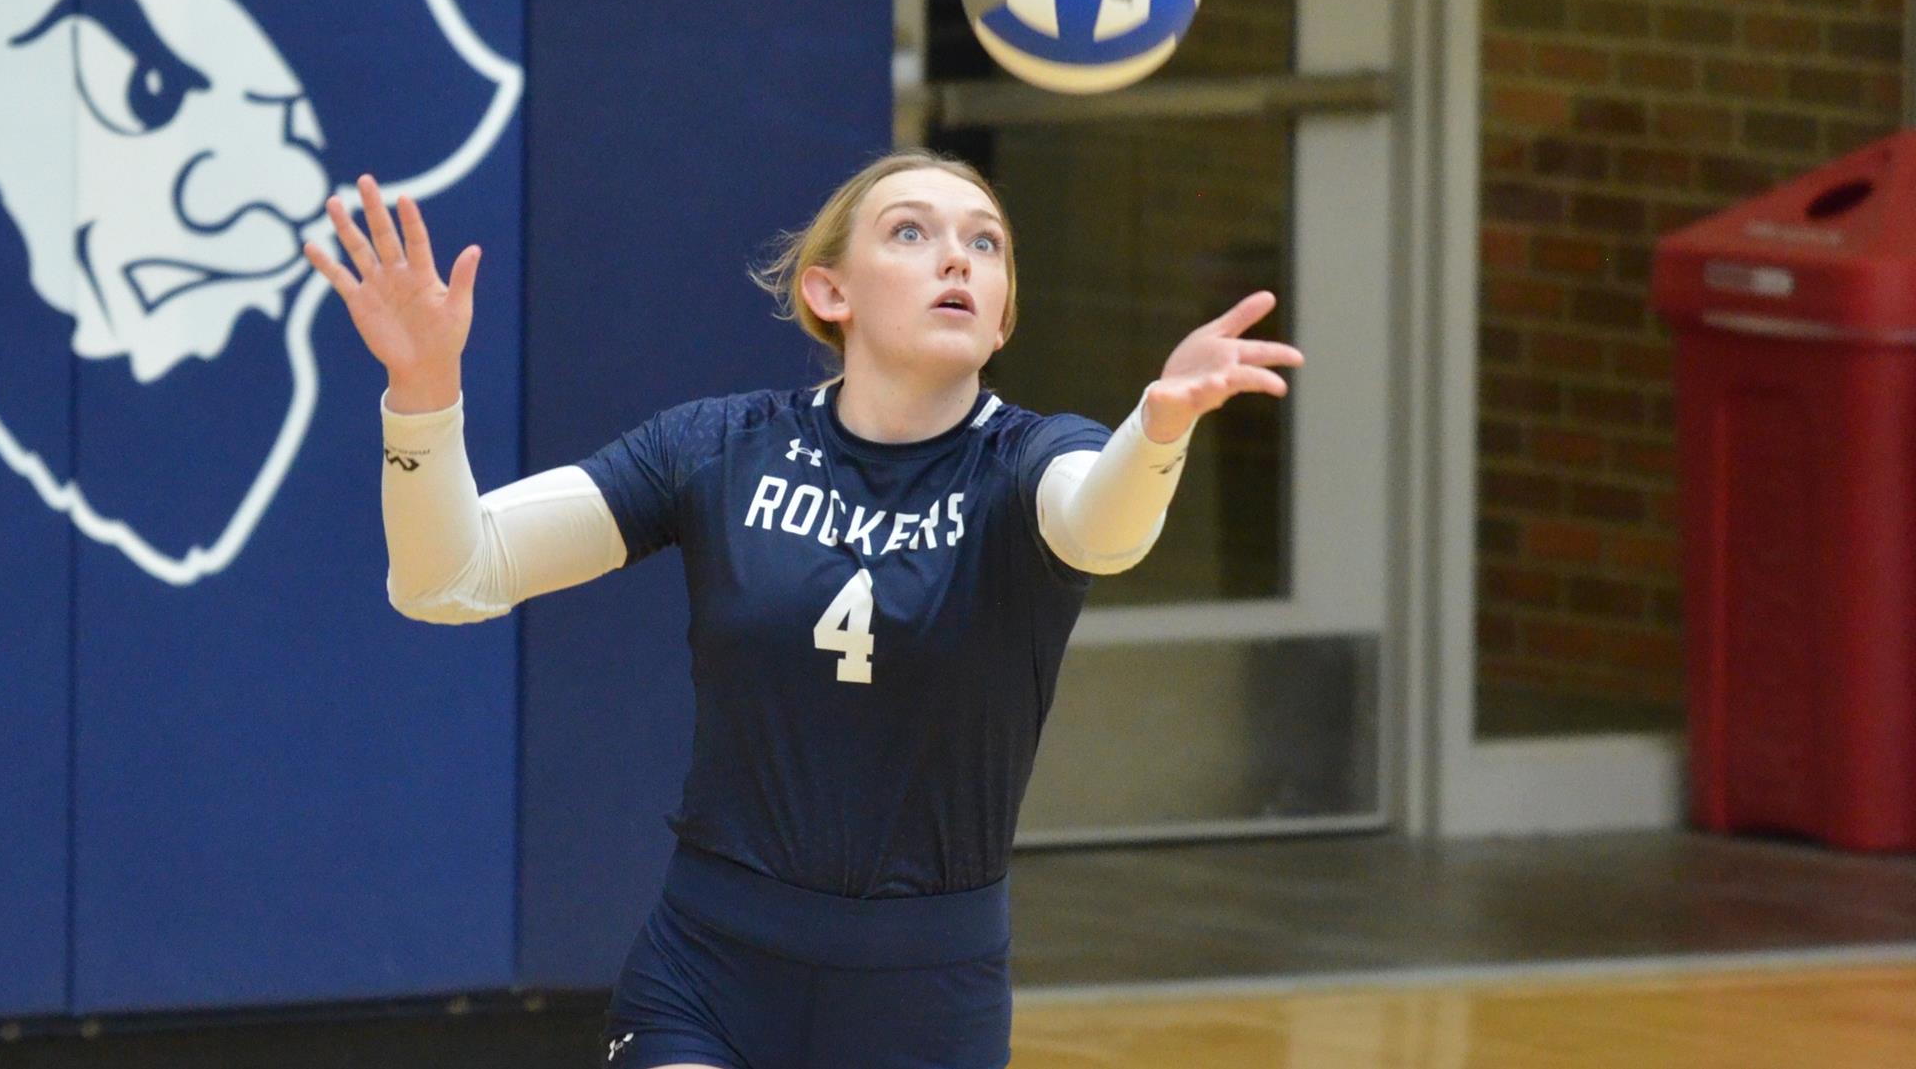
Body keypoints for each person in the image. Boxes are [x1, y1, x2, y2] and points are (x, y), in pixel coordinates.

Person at [302, 150, 1303, 1069]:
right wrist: (423, 391)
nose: (954, 254)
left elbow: (1102, 527)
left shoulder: (1027, 461)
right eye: (909, 231)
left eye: (983, 242)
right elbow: (447, 575)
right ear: (830, 292)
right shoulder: (716, 448)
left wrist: (1158, 426)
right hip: (710, 969)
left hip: (924, 996)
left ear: (1000, 314)